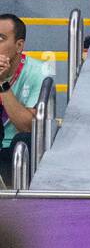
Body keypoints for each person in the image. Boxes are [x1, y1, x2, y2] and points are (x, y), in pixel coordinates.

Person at [0, 16, 55, 184]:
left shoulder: (40, 72)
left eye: (0, 39)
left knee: (23, 140)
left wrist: (2, 83)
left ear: (19, 45)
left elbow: (28, 126)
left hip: (15, 149)